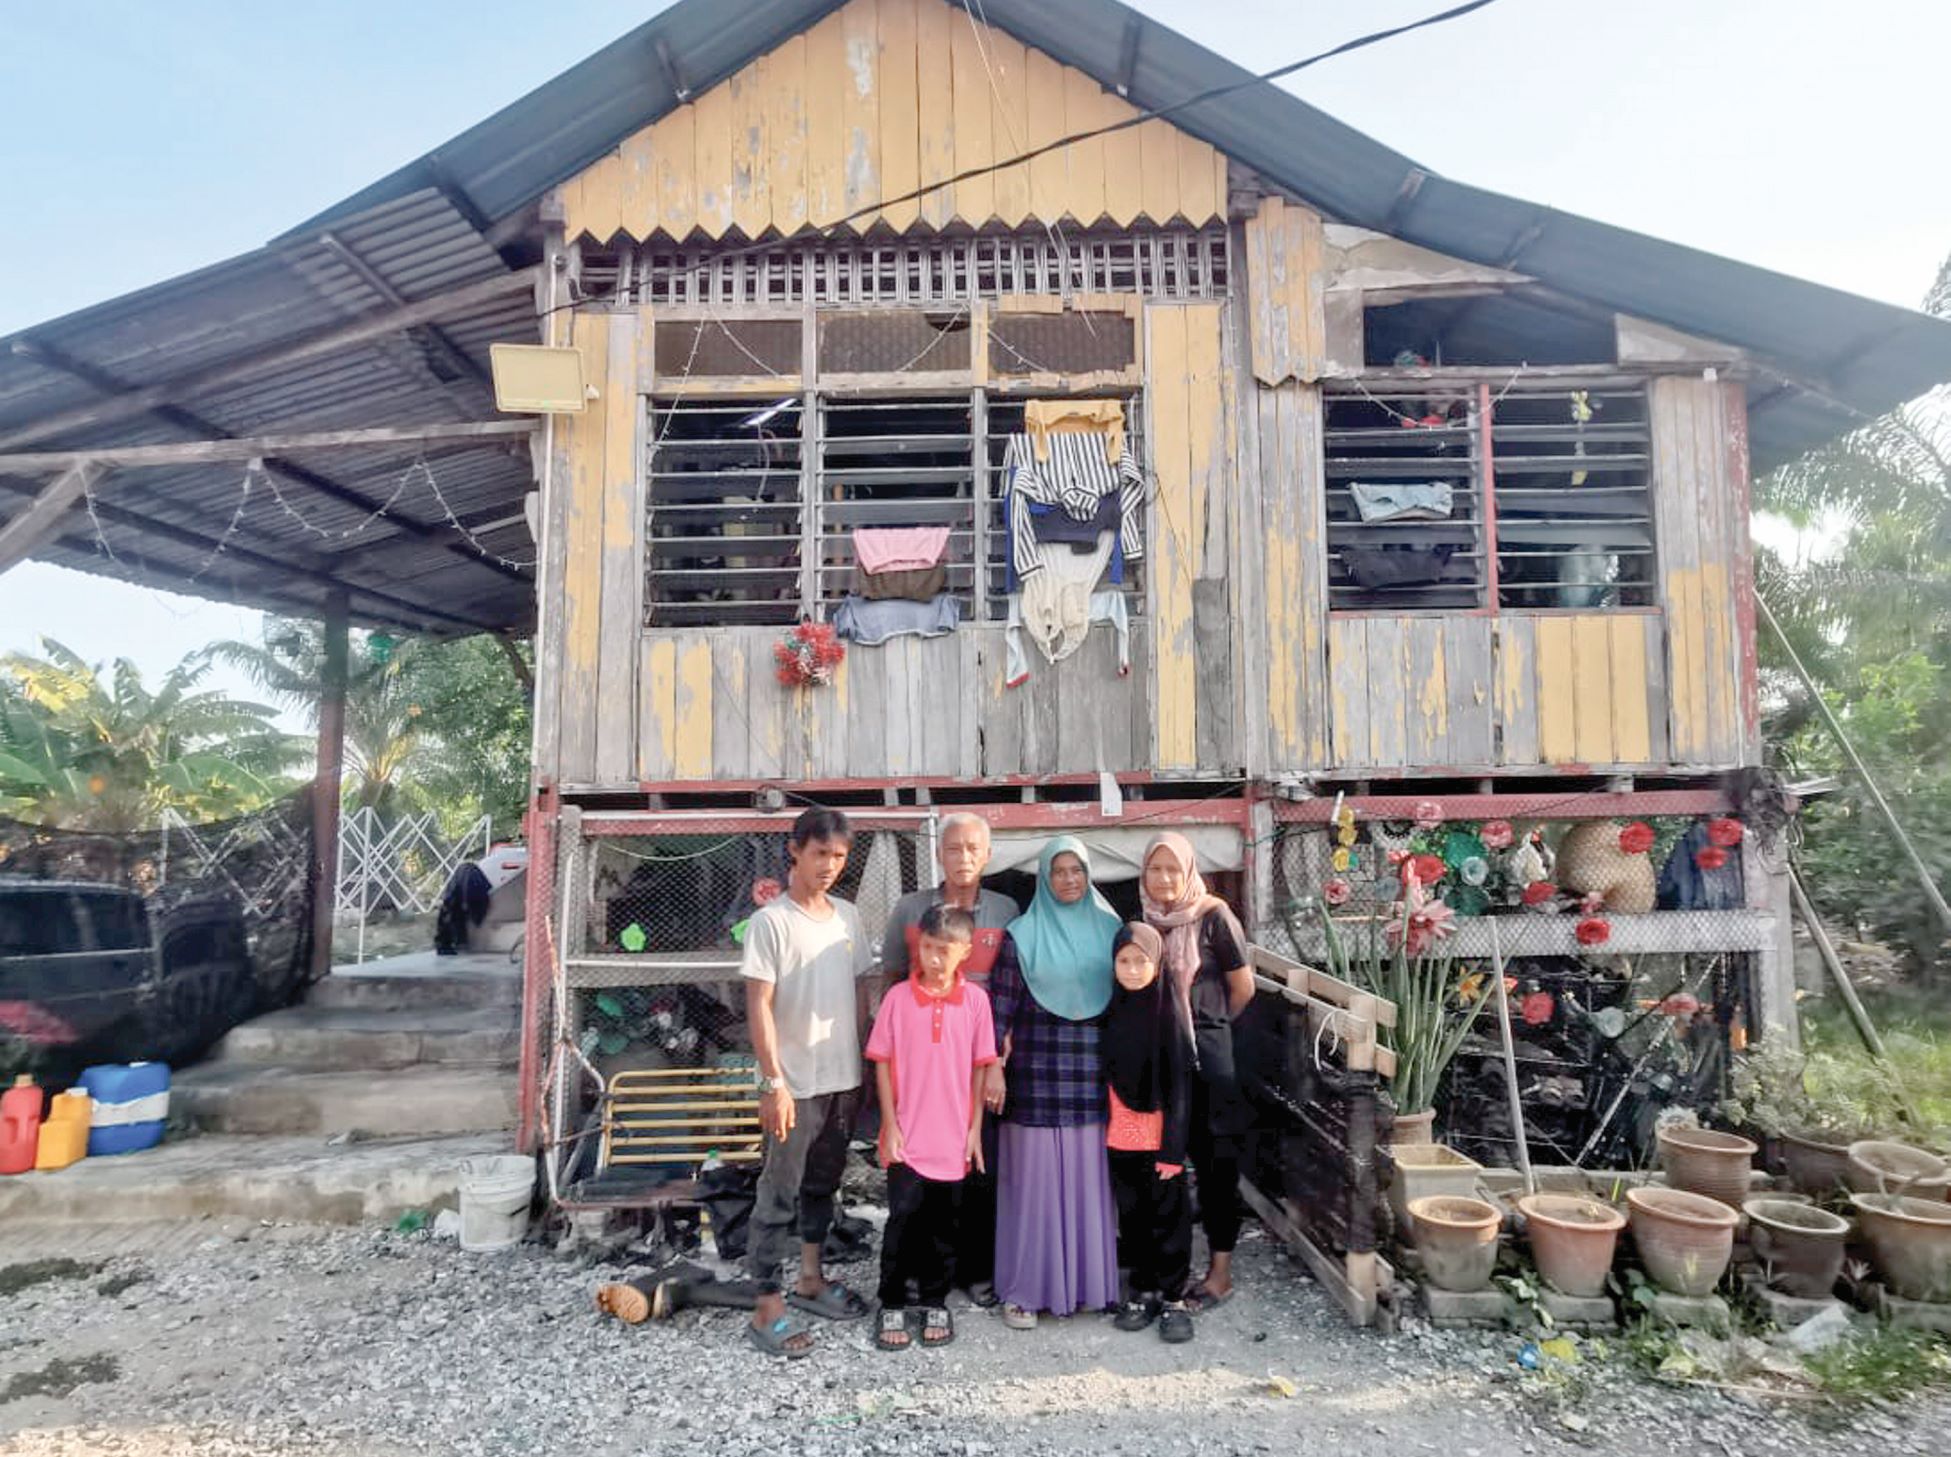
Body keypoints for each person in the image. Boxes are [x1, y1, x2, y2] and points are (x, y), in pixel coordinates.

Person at [741, 807, 875, 1359]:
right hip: (792, 1085)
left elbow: (861, 988)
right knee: (778, 1192)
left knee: (823, 1185)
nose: (829, 865)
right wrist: (772, 1081)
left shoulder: (848, 917)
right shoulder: (771, 922)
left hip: (843, 1078)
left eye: (839, 856)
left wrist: (862, 1060)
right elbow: (759, 1005)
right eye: (820, 853)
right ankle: (766, 1304)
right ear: (795, 851)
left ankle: (811, 1279)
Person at [877, 810, 1018, 1303]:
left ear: (988, 855)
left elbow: (1011, 987)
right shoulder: (910, 908)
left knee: (978, 1164)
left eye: (973, 848)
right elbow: (892, 977)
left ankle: (974, 1271)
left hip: (980, 1061)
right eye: (953, 848)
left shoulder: (1006, 910)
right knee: (915, 1173)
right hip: (921, 1063)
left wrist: (996, 1062)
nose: (963, 857)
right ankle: (916, 1273)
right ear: (939, 853)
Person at [986, 836, 1122, 1329]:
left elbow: (1129, 1004)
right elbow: (999, 1011)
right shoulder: (1020, 935)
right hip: (1034, 1077)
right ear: (1043, 877)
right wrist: (992, 1066)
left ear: (1089, 874)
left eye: (1077, 870)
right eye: (1058, 871)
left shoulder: (1113, 930)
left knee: (1088, 1184)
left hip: (1091, 1075)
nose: (1069, 879)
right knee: (1034, 1187)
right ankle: (1025, 1291)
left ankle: (1087, 1286)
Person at [865, 904, 998, 1352]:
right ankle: (892, 1300)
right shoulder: (898, 999)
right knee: (903, 1219)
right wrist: (889, 1124)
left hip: (954, 1135)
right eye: (927, 947)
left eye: (944, 949)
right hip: (907, 1133)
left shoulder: (976, 1002)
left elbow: (980, 1068)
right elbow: (882, 1064)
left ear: (965, 952)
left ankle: (935, 1299)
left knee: (944, 1223)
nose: (934, 958)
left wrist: (974, 1130)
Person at [1140, 831, 1256, 1312]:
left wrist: (1207, 1027)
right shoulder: (1142, 923)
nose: (1164, 878)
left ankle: (1220, 1274)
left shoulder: (1214, 917)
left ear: (1188, 871)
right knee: (1163, 1162)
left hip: (1209, 1061)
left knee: (1215, 1165)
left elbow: (1242, 989)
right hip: (1160, 1063)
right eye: (1155, 868)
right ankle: (1165, 1268)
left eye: (1173, 868)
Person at [1103, 922, 1196, 1343]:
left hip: (1159, 1135)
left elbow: (1181, 1085)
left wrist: (1173, 1149)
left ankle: (1174, 1297)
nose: (1132, 970)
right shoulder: (1112, 1010)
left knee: (1169, 1216)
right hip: (1120, 1133)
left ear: (1157, 964)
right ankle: (1142, 1290)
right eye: (1123, 961)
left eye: (1141, 961)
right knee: (1133, 1215)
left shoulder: (1168, 1012)